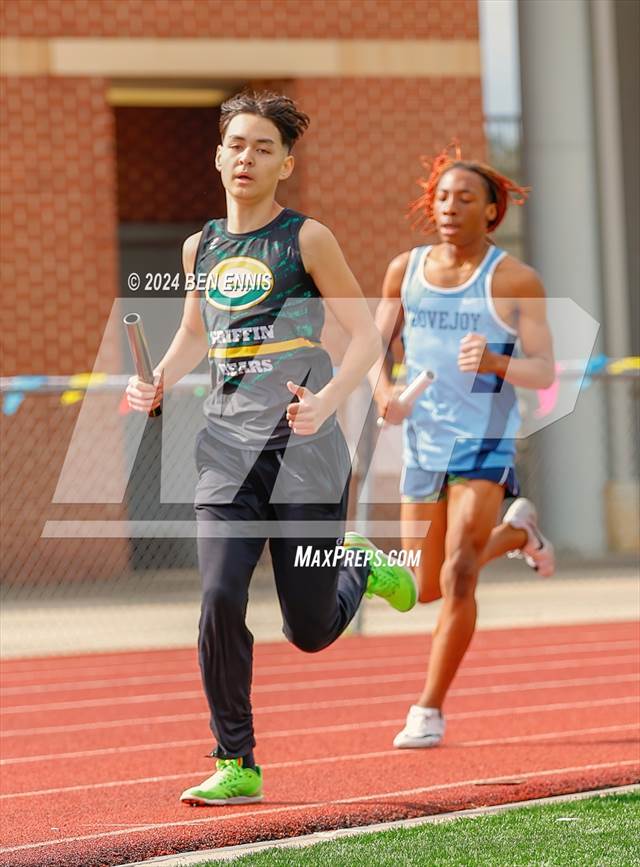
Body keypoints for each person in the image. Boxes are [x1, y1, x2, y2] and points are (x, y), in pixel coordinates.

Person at [126, 91, 417, 805]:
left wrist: (328, 398)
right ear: (217, 156)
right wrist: (157, 379)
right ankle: (236, 758)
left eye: (263, 148)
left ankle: (357, 563)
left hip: (304, 450)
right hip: (226, 450)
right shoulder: (200, 246)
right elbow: (195, 332)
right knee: (219, 597)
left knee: (309, 630)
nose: (246, 158)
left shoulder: (307, 238)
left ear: (285, 163)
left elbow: (366, 335)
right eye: (236, 145)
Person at [372, 144, 555, 749]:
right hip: (424, 441)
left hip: (485, 440)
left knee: (459, 573)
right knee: (421, 586)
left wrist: (497, 361)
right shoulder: (404, 271)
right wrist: (384, 393)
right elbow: (374, 347)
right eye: (443, 197)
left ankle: (428, 709)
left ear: (492, 210)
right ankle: (520, 534)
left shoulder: (514, 279)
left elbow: (544, 370)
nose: (450, 207)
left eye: (465, 198)